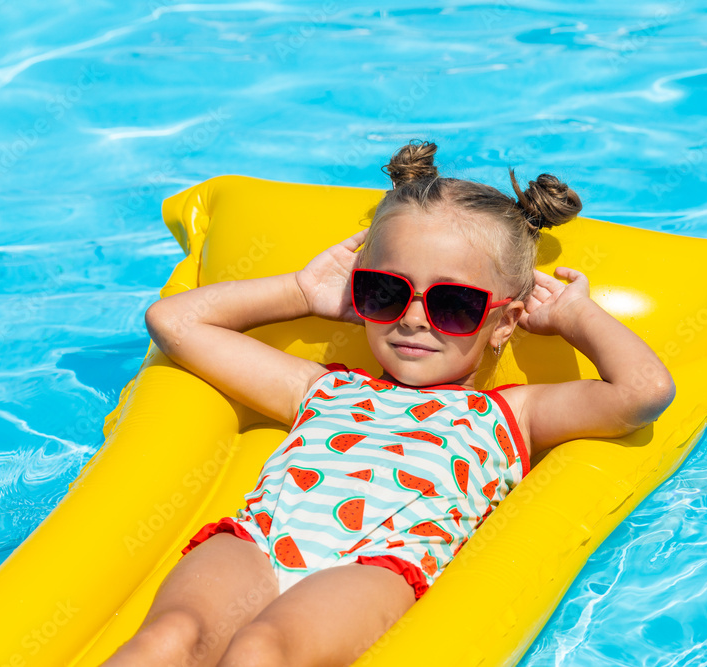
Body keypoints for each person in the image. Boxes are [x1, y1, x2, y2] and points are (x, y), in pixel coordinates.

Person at [101, 140, 675, 667]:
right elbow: (173, 321)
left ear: (505, 322)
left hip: (373, 566)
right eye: (385, 291)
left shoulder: (512, 415)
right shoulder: (321, 387)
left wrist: (578, 318)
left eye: (454, 305)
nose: (414, 318)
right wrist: (302, 292)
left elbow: (642, 393)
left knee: (261, 649)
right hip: (258, 538)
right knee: (169, 636)